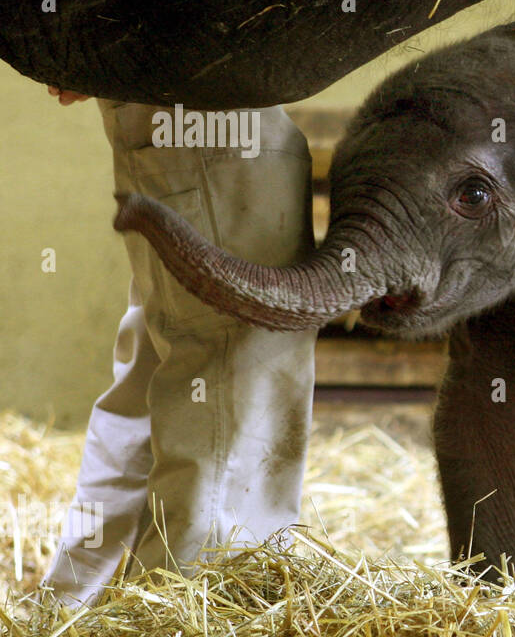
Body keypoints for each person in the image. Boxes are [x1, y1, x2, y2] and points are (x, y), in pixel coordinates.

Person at [41, 88, 318, 604]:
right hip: (207, 114)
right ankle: (195, 625)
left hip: (192, 117)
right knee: (238, 356)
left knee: (159, 377)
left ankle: (82, 614)